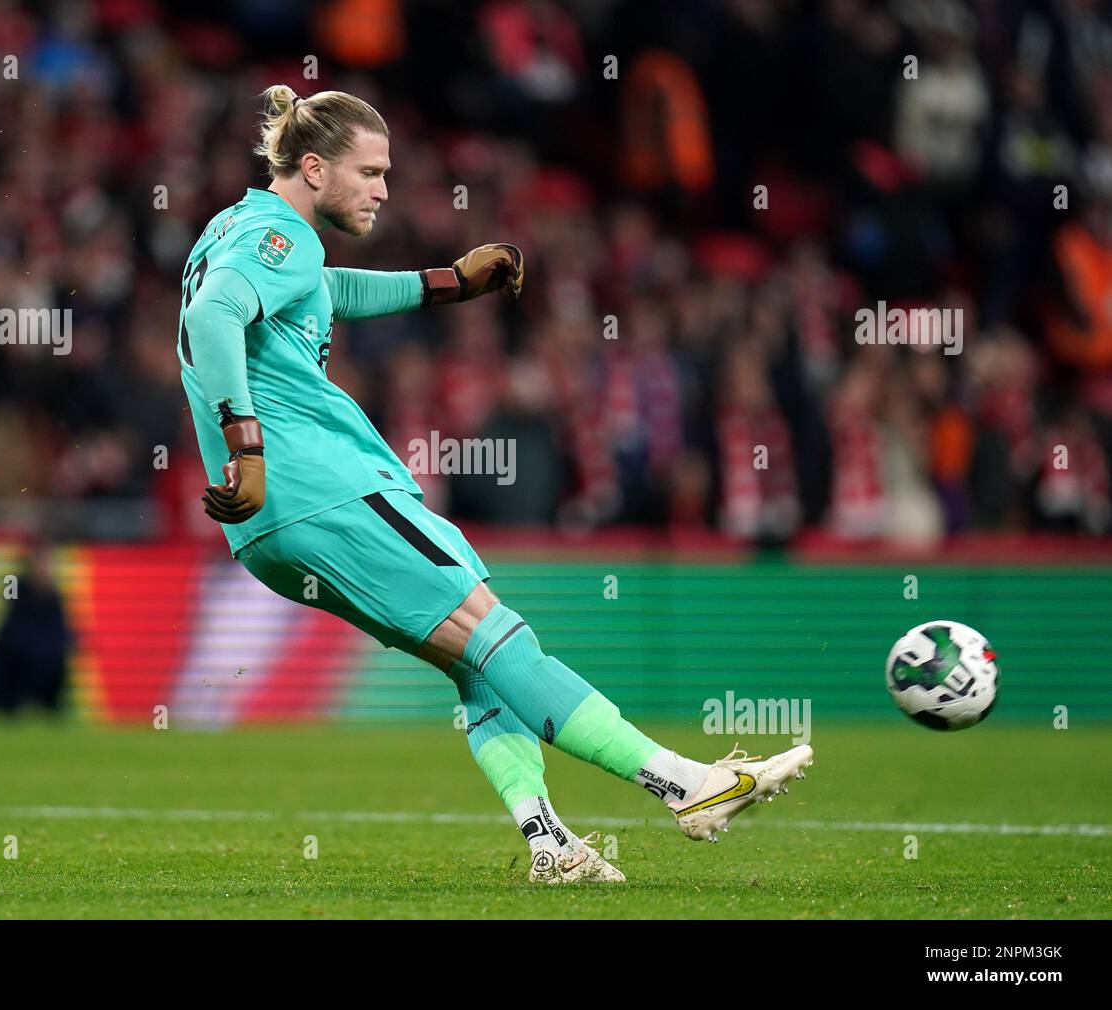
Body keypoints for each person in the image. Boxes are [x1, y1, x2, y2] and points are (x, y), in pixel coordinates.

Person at [177, 84, 814, 883]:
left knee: (474, 661)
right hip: (324, 490)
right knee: (496, 632)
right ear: (312, 166)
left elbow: (326, 290)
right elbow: (213, 320)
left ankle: (550, 844)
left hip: (274, 529)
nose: (382, 189)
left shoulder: (235, 228)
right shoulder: (281, 237)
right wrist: (250, 444)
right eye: (369, 172)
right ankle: (685, 783)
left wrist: (448, 282)